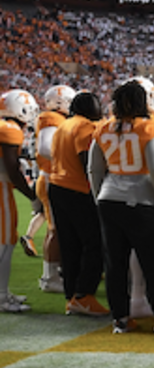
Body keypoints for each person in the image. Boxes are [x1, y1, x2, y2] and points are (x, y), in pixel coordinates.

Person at [88, 81, 154, 334]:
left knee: (114, 264)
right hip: (140, 199)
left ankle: (120, 319)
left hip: (109, 198)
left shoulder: (102, 128)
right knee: (152, 262)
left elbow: (94, 169)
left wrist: (100, 197)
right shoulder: (150, 126)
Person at [48, 91, 108, 317]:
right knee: (95, 243)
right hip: (77, 189)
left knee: (69, 245)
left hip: (57, 186)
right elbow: (87, 161)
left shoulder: (64, 125)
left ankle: (72, 296)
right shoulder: (85, 127)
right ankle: (84, 294)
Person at [30, 84, 75, 293]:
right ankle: (49, 277)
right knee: (55, 229)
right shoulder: (52, 118)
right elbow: (46, 148)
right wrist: (69, 159)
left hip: (52, 176)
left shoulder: (56, 118)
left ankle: (58, 271)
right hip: (51, 177)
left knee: (59, 228)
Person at [0, 90, 41, 312]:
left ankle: (3, 293)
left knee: (6, 242)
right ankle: (1, 298)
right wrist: (32, 196)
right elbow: (12, 169)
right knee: (4, 245)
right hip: (1, 189)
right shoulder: (11, 129)